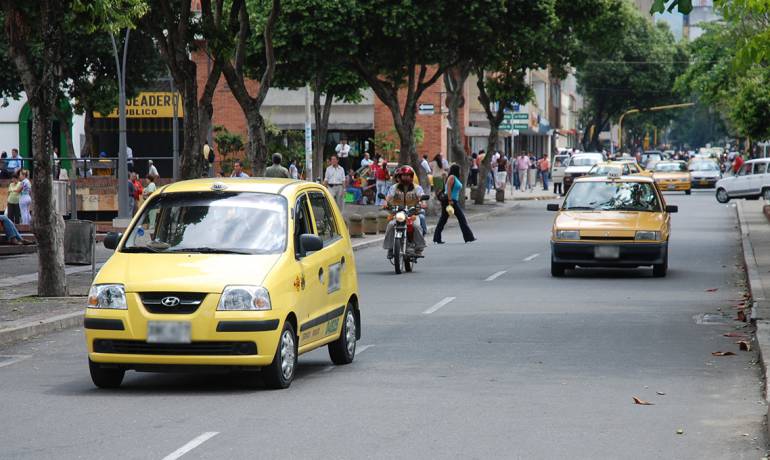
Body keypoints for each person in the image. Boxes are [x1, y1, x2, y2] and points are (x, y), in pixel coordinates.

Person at [382, 166, 427, 257]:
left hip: (412, 213)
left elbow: (422, 197)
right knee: (391, 225)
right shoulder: (394, 187)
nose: (405, 177)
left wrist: (423, 203)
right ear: (400, 176)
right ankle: (390, 248)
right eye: (403, 175)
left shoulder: (417, 188)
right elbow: (388, 198)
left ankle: (418, 247)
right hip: (398, 213)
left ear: (411, 176)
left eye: (407, 175)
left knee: (416, 226)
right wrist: (385, 203)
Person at [433, 163, 475, 244]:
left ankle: (437, 238)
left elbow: (455, 189)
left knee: (443, 220)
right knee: (461, 218)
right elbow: (448, 189)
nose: (460, 171)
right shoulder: (452, 177)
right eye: (459, 170)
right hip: (450, 201)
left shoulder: (455, 178)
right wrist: (450, 200)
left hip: (453, 200)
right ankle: (469, 237)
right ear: (456, 170)